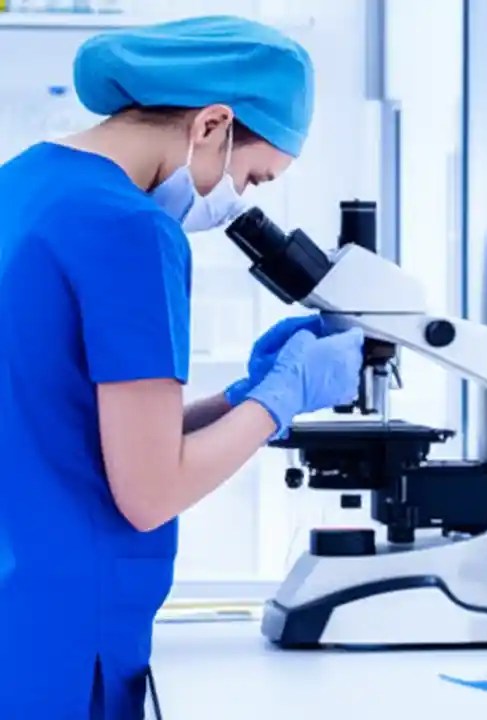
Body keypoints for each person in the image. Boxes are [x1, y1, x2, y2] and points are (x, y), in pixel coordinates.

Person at [0, 16, 365, 720]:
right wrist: (282, 399)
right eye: (254, 177)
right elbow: (149, 490)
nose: (241, 201)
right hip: (65, 635)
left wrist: (239, 399)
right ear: (213, 126)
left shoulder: (18, 187)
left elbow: (64, 419)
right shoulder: (131, 229)